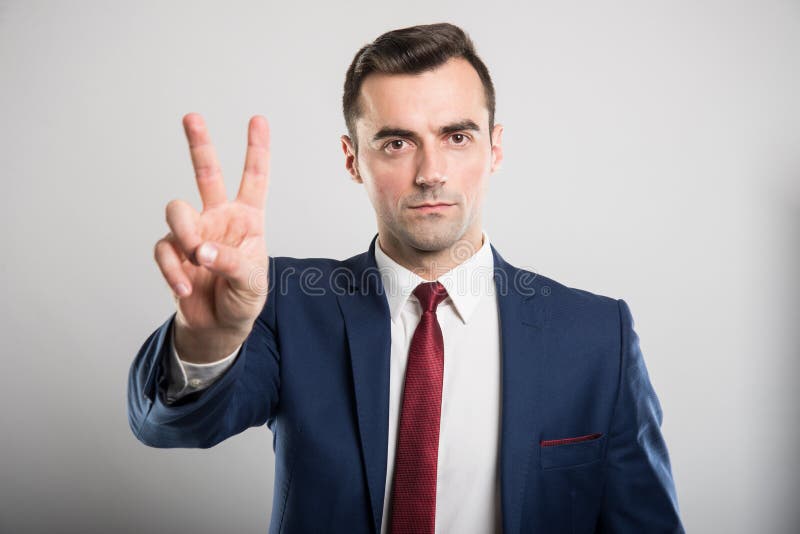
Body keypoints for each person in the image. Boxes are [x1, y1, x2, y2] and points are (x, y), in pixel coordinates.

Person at [127, 22, 684, 534]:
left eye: (457, 137)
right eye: (397, 143)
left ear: (495, 149)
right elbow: (173, 427)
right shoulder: (285, 304)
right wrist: (208, 340)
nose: (430, 172)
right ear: (352, 160)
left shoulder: (596, 336)